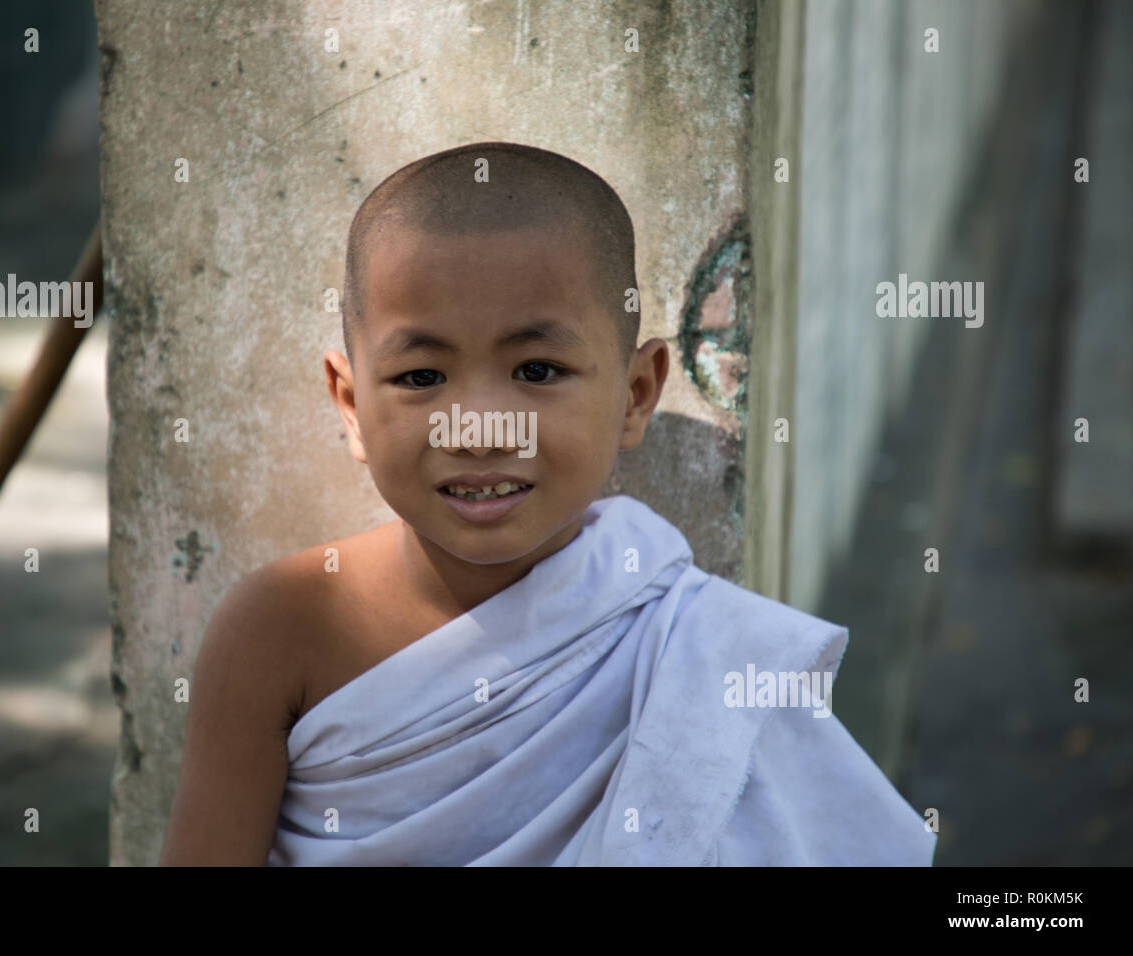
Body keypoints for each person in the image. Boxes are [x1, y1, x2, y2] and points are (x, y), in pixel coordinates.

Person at [159, 141, 936, 866]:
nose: (479, 428)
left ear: (635, 394)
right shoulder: (281, 629)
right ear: (351, 403)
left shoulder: (697, 647)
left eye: (536, 371)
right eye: (422, 378)